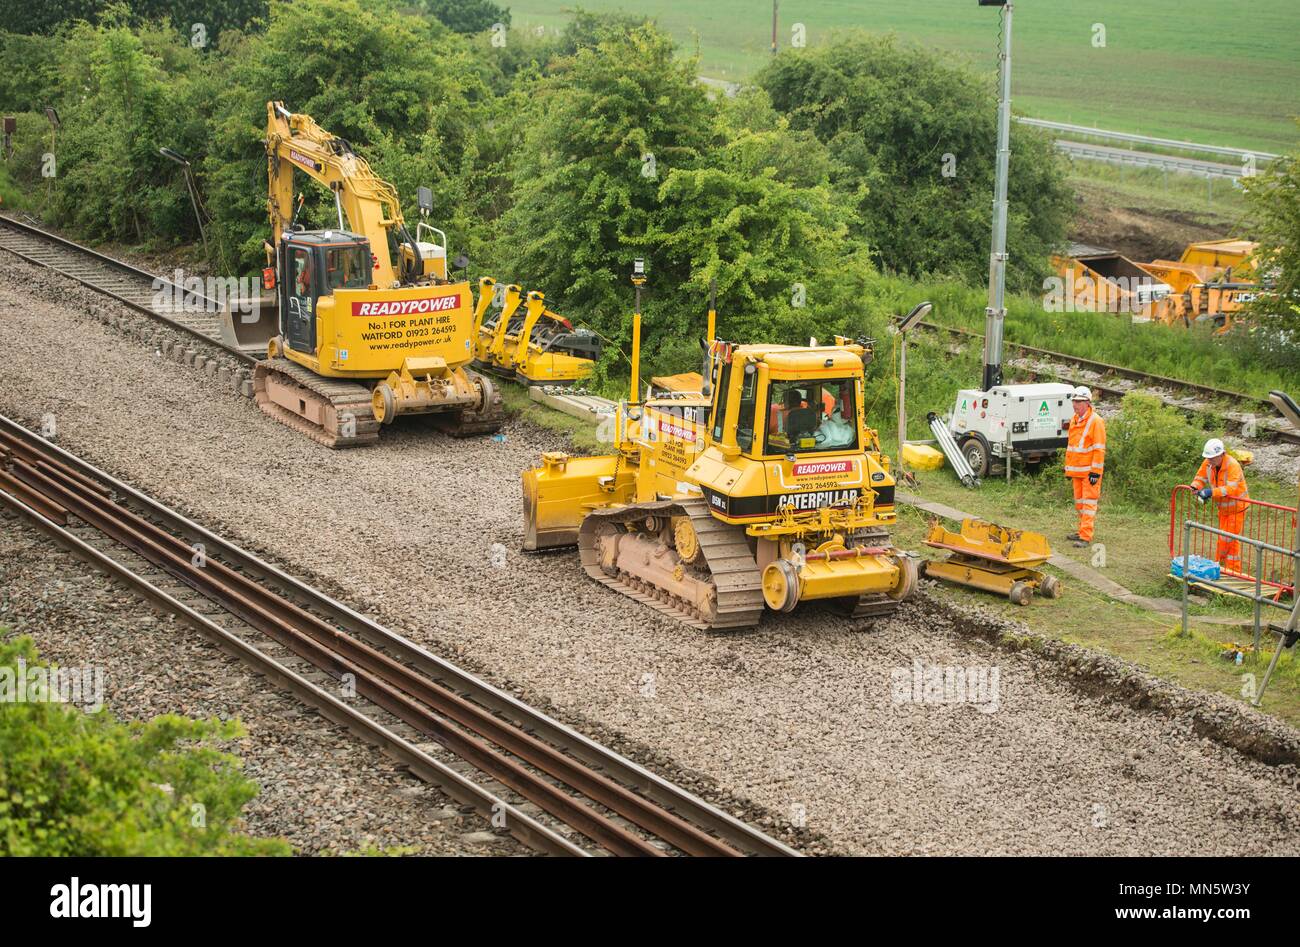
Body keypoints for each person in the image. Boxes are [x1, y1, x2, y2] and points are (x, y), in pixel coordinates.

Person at [1190, 438, 1250, 573]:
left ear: (1222, 454)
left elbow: (1230, 489)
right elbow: (1200, 477)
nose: (1209, 461)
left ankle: (1229, 569)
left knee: (1228, 539)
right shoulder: (1208, 463)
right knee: (1225, 538)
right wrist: (1195, 486)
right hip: (1223, 509)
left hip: (1237, 509)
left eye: (1212, 458)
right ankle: (1223, 567)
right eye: (1208, 458)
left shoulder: (1233, 465)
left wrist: (1210, 492)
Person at [1063, 386, 1105, 547]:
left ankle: (1085, 536)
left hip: (1089, 473)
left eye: (1079, 402)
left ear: (1087, 403)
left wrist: (1096, 471)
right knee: (1080, 504)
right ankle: (1082, 530)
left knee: (1088, 504)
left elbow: (1099, 448)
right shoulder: (1075, 420)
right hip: (1077, 471)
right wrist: (1069, 468)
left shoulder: (1096, 421)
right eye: (1074, 401)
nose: (1075, 404)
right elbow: (1072, 447)